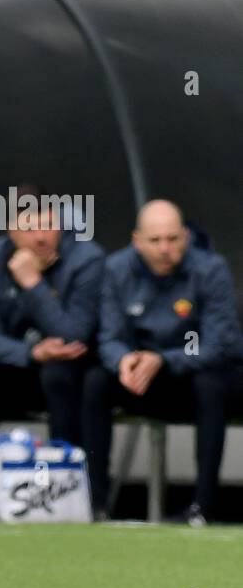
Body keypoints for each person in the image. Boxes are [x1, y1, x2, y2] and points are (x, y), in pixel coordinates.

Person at [82, 199, 242, 525]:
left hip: (189, 374)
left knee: (211, 384)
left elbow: (216, 346)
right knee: (95, 381)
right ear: (136, 240)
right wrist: (124, 361)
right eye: (155, 241)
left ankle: (202, 507)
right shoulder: (116, 270)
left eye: (173, 239)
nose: (165, 248)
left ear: (185, 237)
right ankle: (95, 503)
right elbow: (109, 337)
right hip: (140, 378)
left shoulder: (210, 270)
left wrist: (164, 360)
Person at [0, 201, 104, 447]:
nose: (40, 238)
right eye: (29, 229)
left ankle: (65, 471)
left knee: (60, 374)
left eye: (48, 226)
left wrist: (33, 284)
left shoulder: (86, 259)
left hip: (66, 367)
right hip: (16, 361)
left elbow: (74, 335)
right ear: (11, 231)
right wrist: (31, 353)